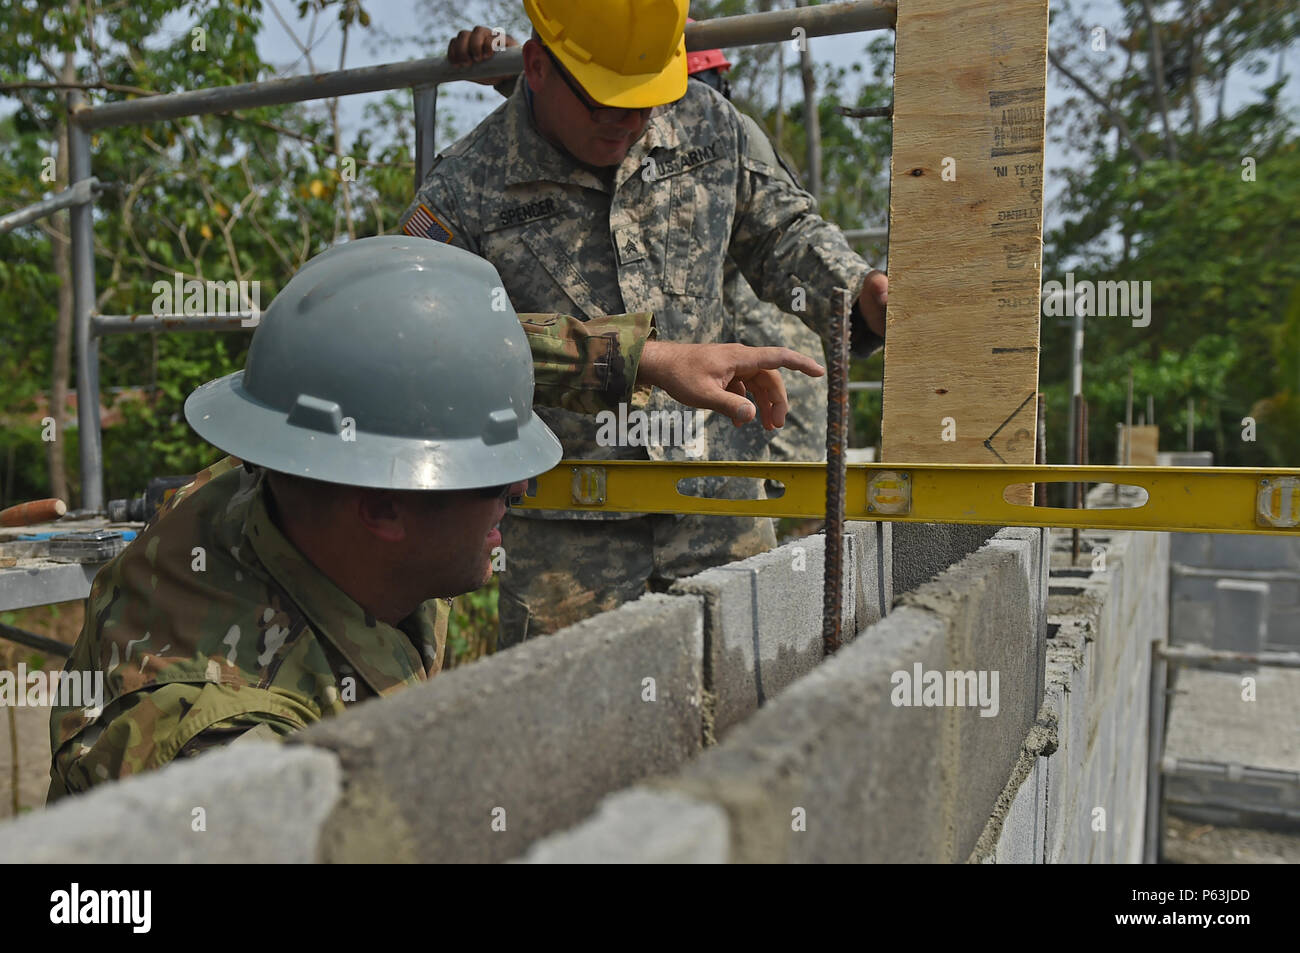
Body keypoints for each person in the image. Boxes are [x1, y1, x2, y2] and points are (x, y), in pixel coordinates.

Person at [46, 235, 822, 800]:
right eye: (488, 477)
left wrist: (642, 360)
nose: (519, 492)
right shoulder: (237, 761)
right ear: (386, 503)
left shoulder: (308, 468)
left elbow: (426, 345)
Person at [409, 0, 888, 649]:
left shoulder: (710, 124)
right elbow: (435, 343)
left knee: (759, 720)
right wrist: (640, 359)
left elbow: (782, 232)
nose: (631, 124)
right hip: (568, 532)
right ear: (537, 67)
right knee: (570, 734)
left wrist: (857, 290)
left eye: (647, 101)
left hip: (719, 505)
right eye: (608, 104)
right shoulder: (464, 189)